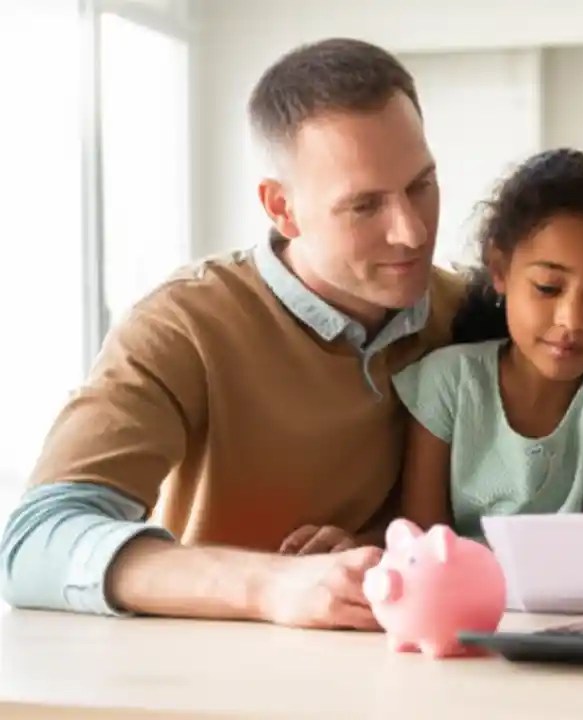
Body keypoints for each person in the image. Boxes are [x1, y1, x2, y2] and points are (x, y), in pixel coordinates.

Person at [0, 38, 465, 630]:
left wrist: (367, 552)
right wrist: (271, 584)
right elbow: (35, 545)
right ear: (282, 208)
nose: (411, 232)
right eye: (365, 206)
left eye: (421, 185)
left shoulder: (472, 312)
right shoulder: (183, 325)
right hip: (206, 683)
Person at [394, 148, 583, 539]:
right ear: (499, 268)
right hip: (458, 595)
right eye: (548, 288)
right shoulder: (447, 382)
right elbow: (422, 546)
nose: (572, 320)